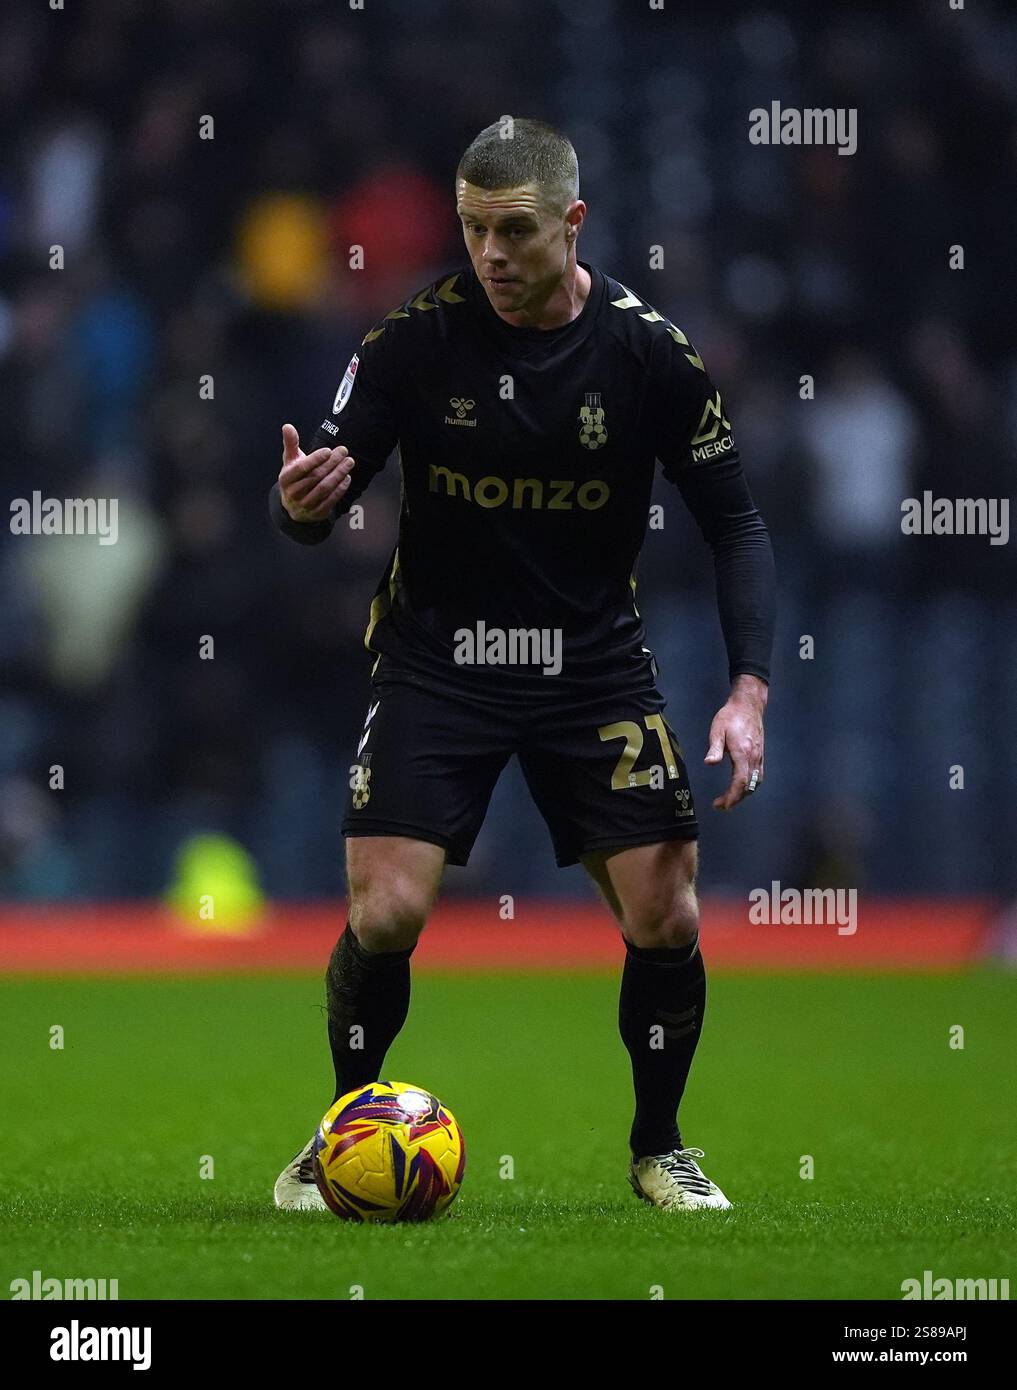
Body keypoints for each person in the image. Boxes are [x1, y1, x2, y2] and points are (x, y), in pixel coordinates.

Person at [268, 118, 775, 1213]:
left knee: (668, 914)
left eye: (514, 230)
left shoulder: (649, 355)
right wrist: (300, 504)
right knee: (388, 914)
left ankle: (659, 1146)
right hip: (437, 662)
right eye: (472, 229)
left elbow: (737, 524)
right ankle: (343, 1133)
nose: (490, 253)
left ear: (572, 224)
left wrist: (747, 689)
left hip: (591, 667)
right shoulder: (412, 342)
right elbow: (324, 492)